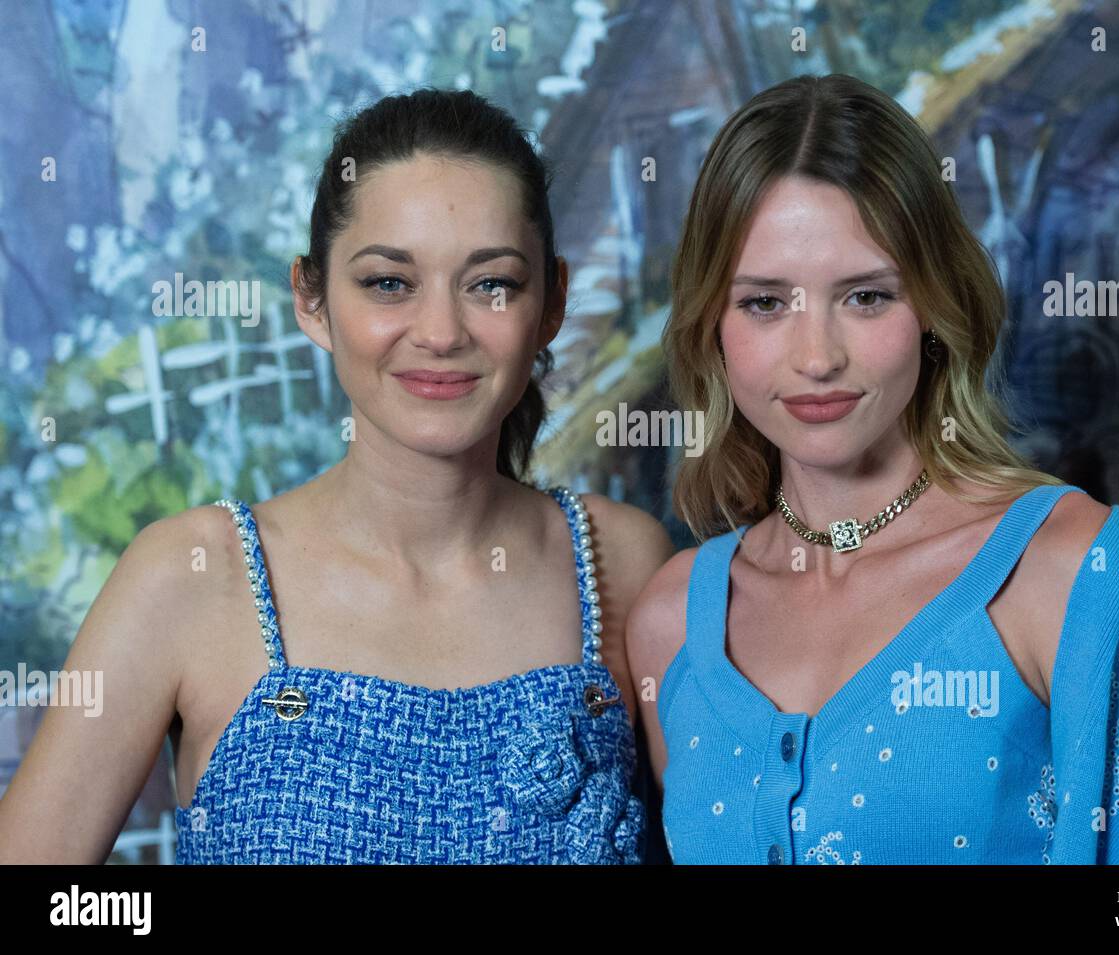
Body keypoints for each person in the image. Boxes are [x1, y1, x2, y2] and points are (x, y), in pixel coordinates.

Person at [0, 87, 672, 864]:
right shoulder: (188, 575)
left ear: (551, 302)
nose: (441, 332)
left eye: (492, 283)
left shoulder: (623, 558)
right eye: (389, 282)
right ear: (311, 299)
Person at [627, 73, 1119, 864]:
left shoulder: (1079, 572)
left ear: (934, 310)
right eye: (766, 303)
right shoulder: (671, 622)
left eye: (867, 297)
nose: (817, 357)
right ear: (712, 326)